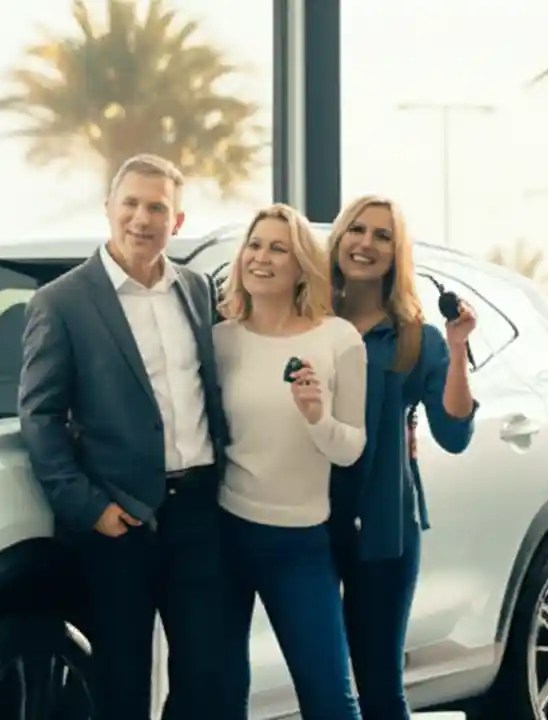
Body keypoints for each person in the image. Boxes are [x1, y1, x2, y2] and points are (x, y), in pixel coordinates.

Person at [17, 153, 241, 719]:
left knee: (206, 676)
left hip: (198, 512)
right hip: (118, 522)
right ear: (109, 209)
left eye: (157, 208)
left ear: (177, 221)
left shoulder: (194, 290)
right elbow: (39, 416)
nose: (142, 218)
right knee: (121, 684)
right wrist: (89, 508)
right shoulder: (62, 302)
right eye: (132, 204)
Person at [212, 203, 367, 719]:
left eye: (278, 248)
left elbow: (351, 447)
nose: (262, 257)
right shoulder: (220, 340)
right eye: (254, 245)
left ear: (302, 264)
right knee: (217, 692)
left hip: (300, 541)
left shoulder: (338, 339)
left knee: (329, 697)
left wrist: (317, 417)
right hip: (224, 535)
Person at [326, 194, 478, 719]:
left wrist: (457, 349)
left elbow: (454, 433)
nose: (365, 243)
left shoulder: (419, 338)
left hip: (384, 526)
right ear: (339, 238)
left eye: (382, 236)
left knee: (379, 689)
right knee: (323, 683)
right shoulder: (306, 319)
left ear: (396, 255)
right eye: (357, 230)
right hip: (305, 520)